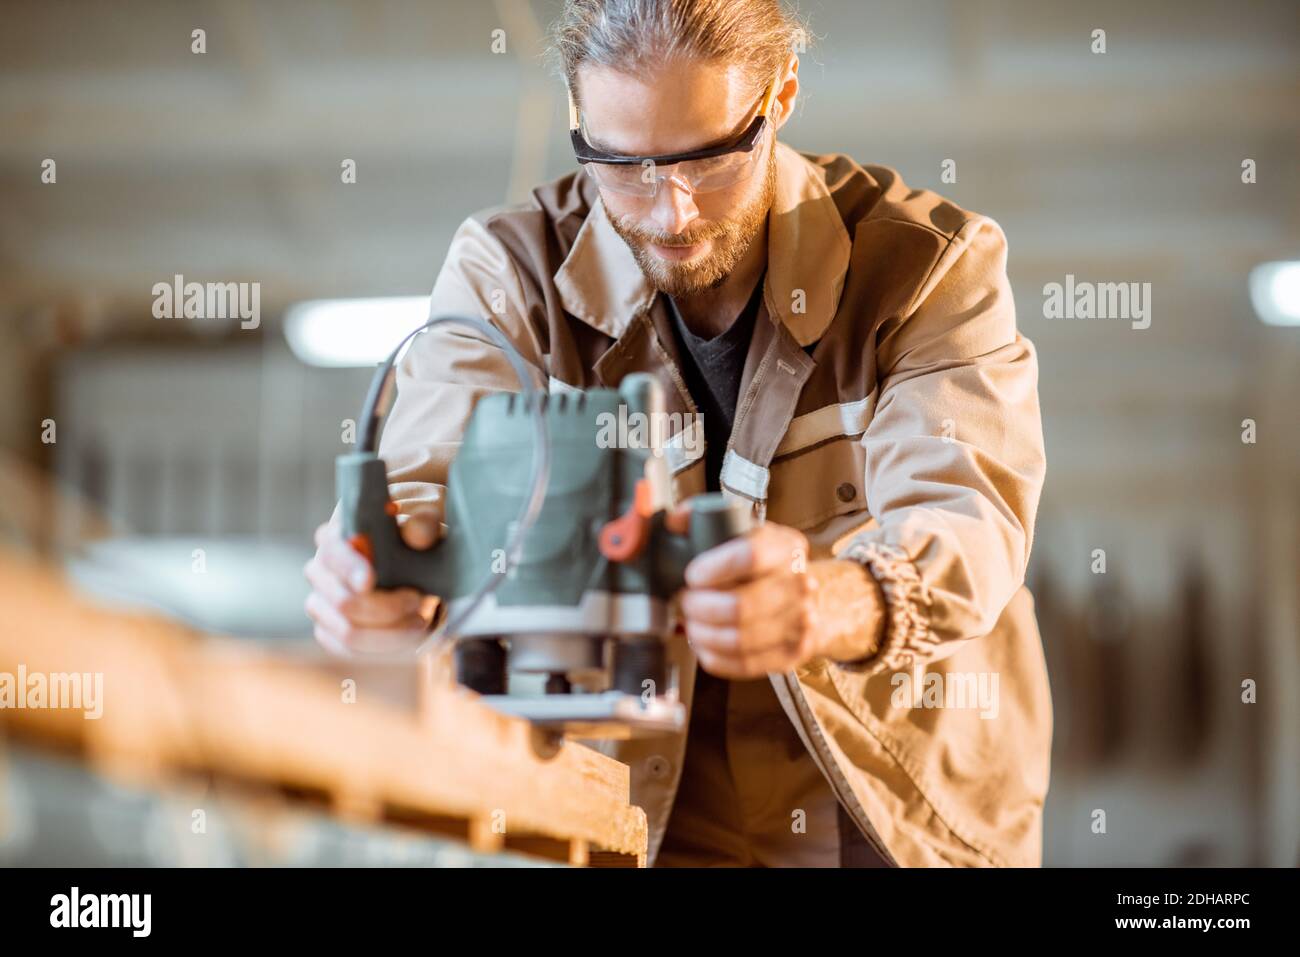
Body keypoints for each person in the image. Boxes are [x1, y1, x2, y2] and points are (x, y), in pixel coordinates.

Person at [304, 0, 1050, 867]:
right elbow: (428, 481)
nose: (671, 212)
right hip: (635, 810)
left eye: (709, 160)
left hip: (889, 804)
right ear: (580, 122)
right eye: (624, 167)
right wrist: (387, 573)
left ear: (781, 95)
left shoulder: (926, 268)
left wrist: (835, 600)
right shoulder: (509, 273)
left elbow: (968, 514)